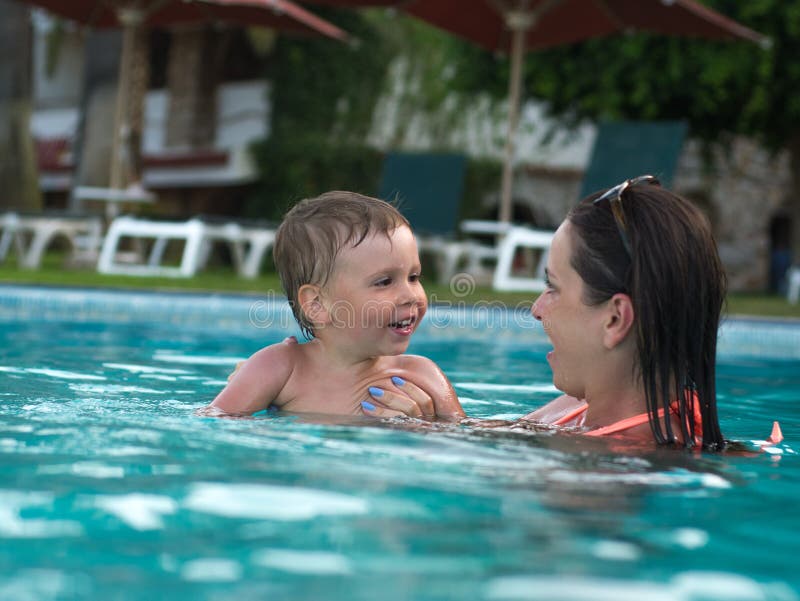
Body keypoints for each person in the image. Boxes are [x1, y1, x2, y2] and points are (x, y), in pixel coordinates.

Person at [364, 176, 784, 449]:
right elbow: (495, 435)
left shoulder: (612, 470)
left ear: (615, 319)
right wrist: (437, 421)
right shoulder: (584, 407)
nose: (536, 310)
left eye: (553, 287)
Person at [198, 191, 465, 420]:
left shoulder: (422, 375)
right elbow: (213, 424)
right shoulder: (281, 368)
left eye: (414, 277)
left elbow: (467, 438)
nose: (410, 295)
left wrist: (431, 427)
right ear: (317, 304)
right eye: (384, 282)